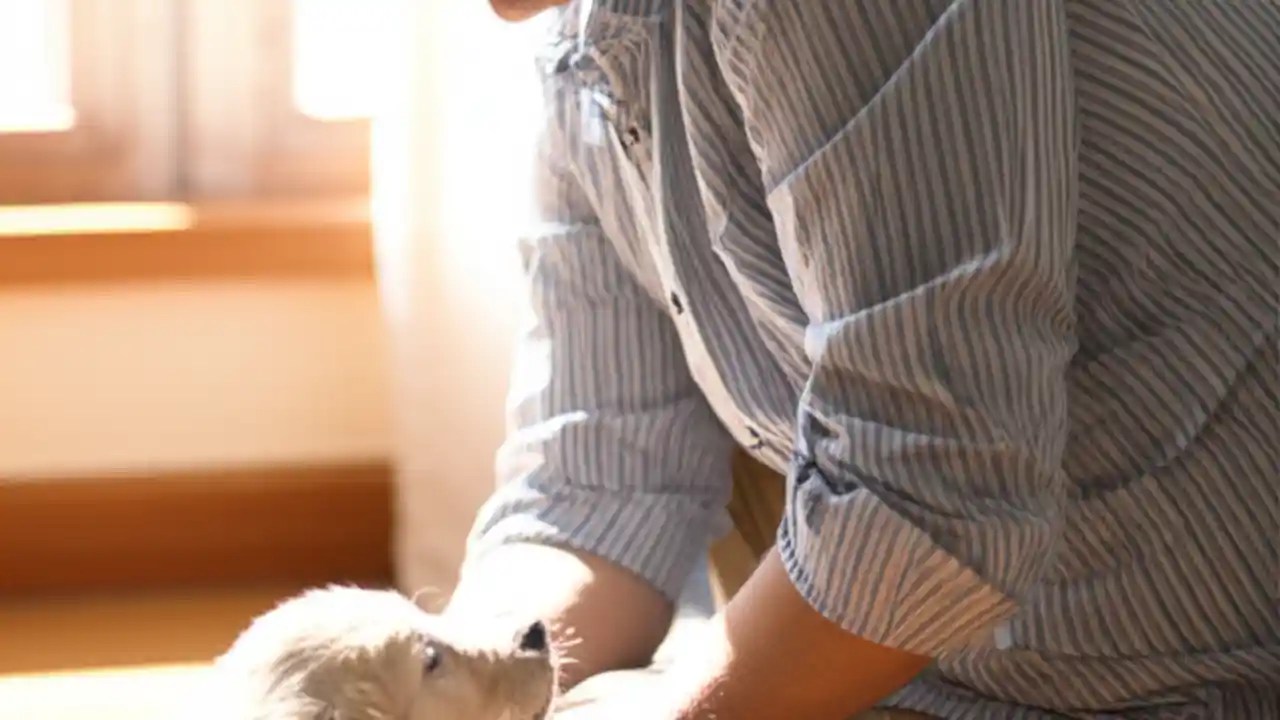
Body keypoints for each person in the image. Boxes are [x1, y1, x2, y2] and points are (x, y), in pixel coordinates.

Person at [446, 1, 1279, 718]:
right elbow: (599, 484)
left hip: (1202, 675)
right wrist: (419, 673)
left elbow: (936, 491)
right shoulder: (590, 51)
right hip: (964, 678)